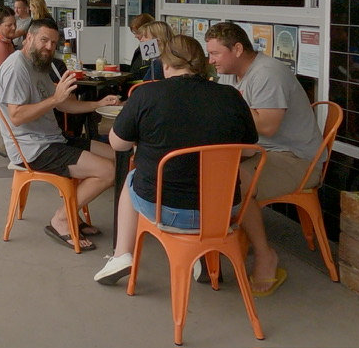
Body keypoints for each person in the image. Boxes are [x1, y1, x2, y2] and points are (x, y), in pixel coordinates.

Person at [93, 35, 258, 284]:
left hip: (166, 211)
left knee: (132, 177)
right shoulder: (231, 96)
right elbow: (247, 150)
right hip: (223, 212)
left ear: (166, 64)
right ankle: (202, 259)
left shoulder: (147, 94)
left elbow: (118, 144)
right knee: (216, 182)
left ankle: (121, 255)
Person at [204, 21, 323, 297]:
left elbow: (267, 126)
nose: (210, 60)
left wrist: (227, 112)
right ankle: (222, 243)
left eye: (215, 54)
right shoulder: (230, 74)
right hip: (259, 151)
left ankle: (264, 254)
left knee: (235, 184)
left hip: (295, 159)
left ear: (237, 49)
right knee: (209, 171)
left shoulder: (267, 73)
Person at [0, 18, 120, 251]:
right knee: (108, 172)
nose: (49, 47)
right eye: (44, 40)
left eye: (53, 43)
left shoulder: (38, 65)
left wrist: (98, 103)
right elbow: (17, 116)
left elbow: (64, 105)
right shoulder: (16, 67)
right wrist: (55, 99)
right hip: (31, 149)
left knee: (116, 154)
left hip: (53, 139)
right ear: (29, 38)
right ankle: (62, 218)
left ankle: (74, 214)